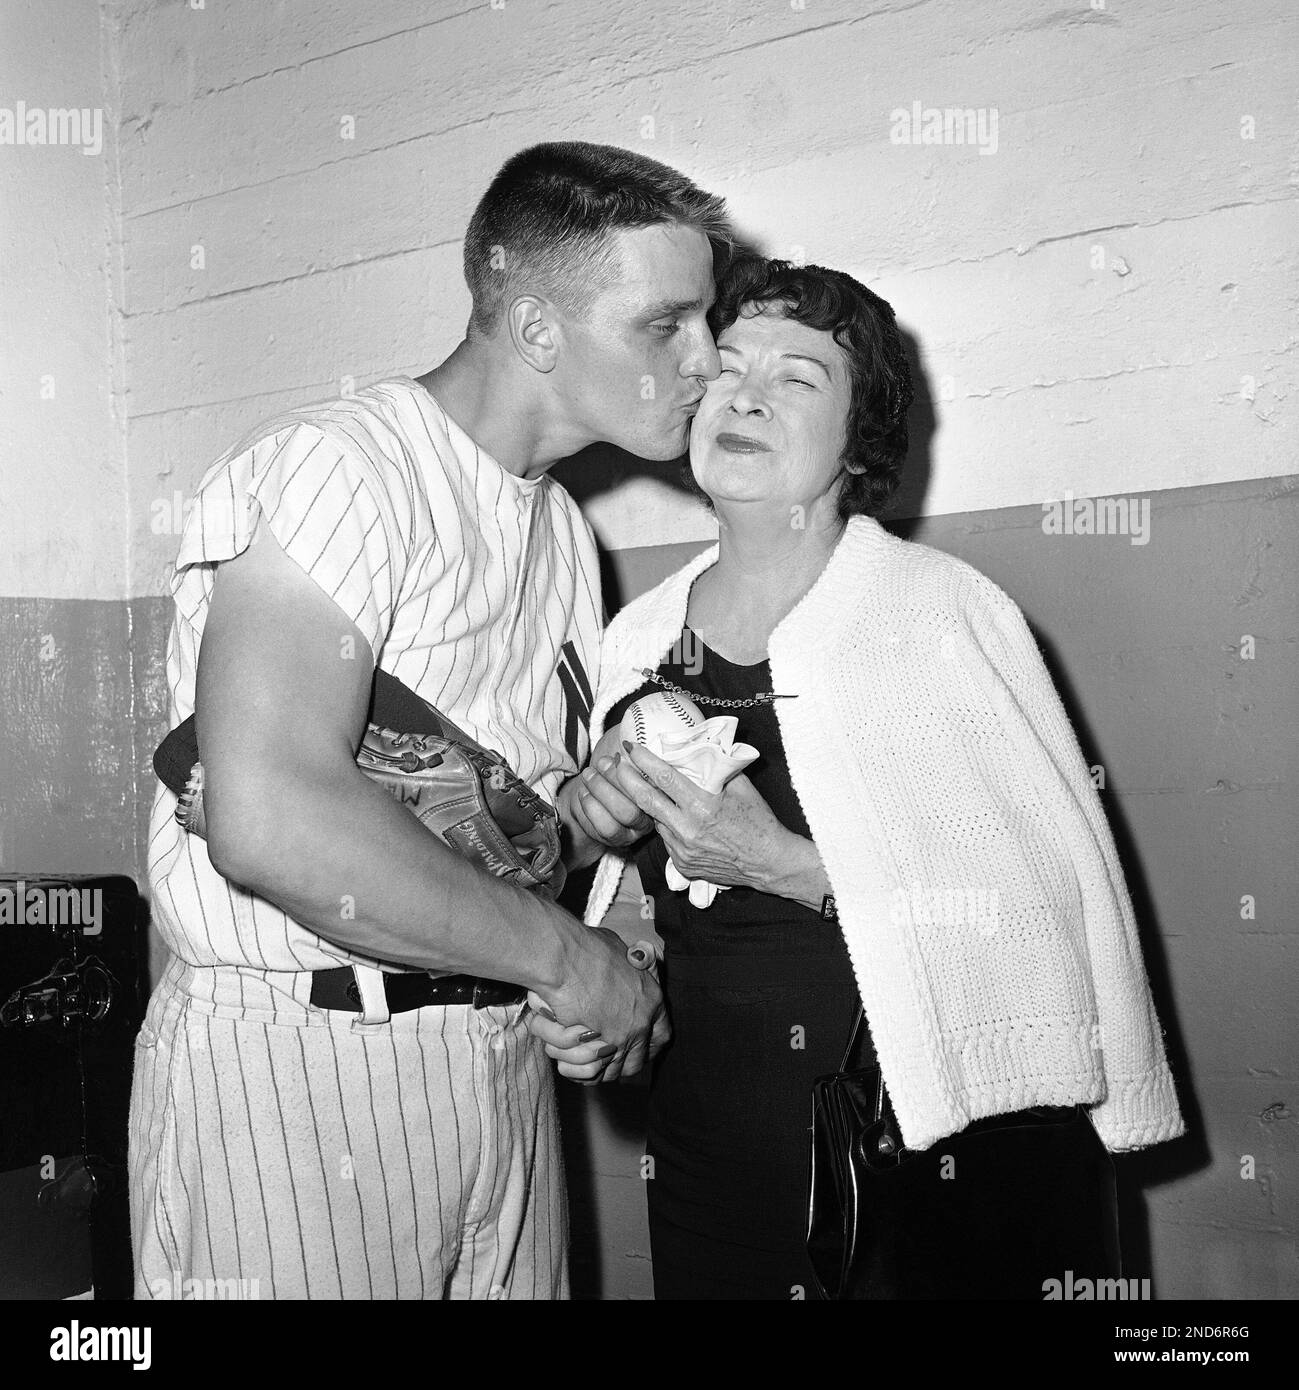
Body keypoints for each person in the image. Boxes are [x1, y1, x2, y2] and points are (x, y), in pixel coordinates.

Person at [129, 141, 729, 1300]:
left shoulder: (563, 538)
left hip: (498, 1061)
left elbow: (512, 839)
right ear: (539, 329)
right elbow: (268, 815)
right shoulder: (339, 469)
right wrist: (570, 959)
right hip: (300, 1070)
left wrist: (606, 900)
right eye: (669, 324)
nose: (707, 358)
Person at [548, 254, 1186, 1300]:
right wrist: (610, 975)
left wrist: (786, 864)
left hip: (921, 1151)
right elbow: (643, 915)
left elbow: (1036, 915)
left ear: (861, 439)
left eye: (799, 378)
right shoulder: (637, 637)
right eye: (730, 366)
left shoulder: (938, 613)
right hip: (710, 1146)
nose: (746, 394)